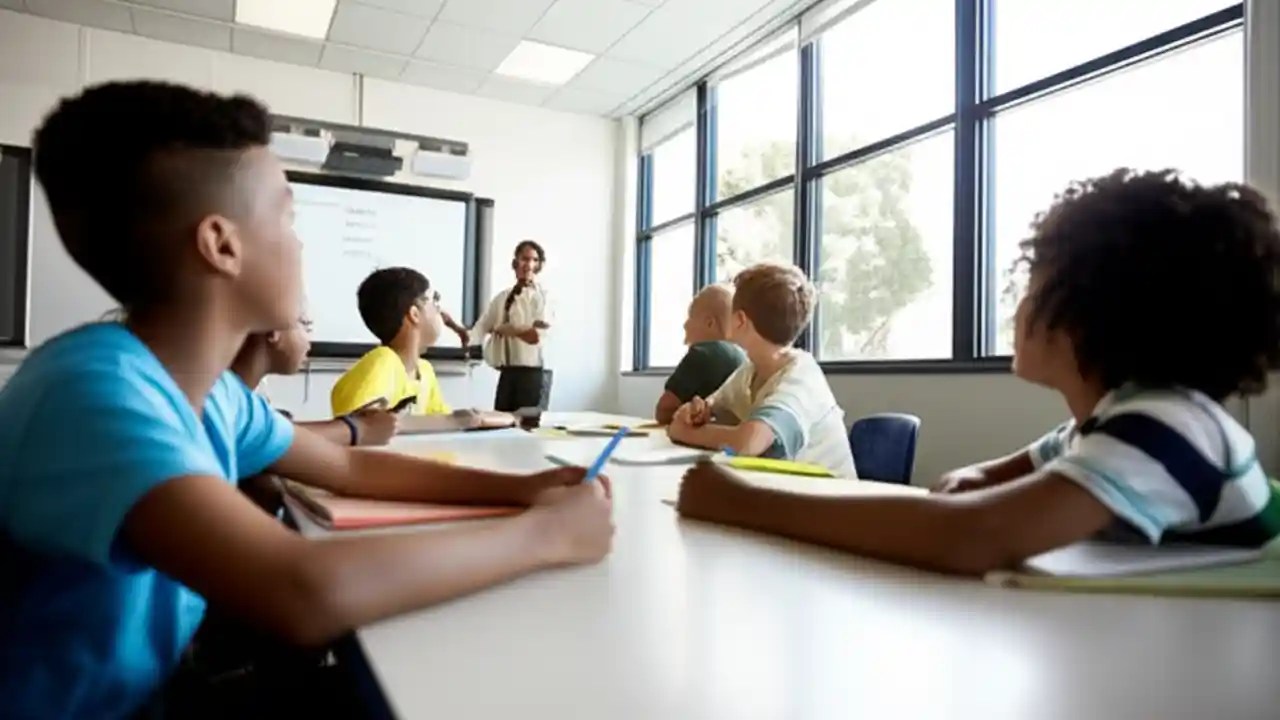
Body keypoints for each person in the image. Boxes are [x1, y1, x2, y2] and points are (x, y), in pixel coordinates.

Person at [0, 81, 613, 719]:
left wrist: (524, 492)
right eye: (287, 217)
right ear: (221, 245)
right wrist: (545, 536)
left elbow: (350, 466)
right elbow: (302, 590)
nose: (298, 244)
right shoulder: (95, 394)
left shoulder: (210, 393)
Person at [677, 169, 1280, 574]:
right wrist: (965, 487)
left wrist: (746, 503)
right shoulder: (1104, 425)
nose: (1018, 305)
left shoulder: (1164, 428)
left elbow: (970, 534)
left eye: (1036, 286)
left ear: (1092, 311)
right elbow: (976, 485)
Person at [668, 263, 857, 478]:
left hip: (832, 505)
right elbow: (711, 406)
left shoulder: (801, 377)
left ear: (740, 321)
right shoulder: (750, 370)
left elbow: (749, 443)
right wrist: (698, 412)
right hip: (786, 497)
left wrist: (685, 432)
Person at [330, 267, 508, 432]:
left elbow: (441, 423)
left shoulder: (424, 371)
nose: (441, 310)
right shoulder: (383, 361)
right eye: (434, 300)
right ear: (414, 314)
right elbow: (361, 424)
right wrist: (458, 420)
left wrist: (489, 418)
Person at [232, 313, 398, 447]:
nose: (310, 342)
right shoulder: (220, 398)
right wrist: (358, 430)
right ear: (274, 331)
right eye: (306, 325)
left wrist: (358, 427)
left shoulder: (254, 396)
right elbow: (265, 440)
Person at [468, 241, 554, 412]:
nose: (528, 265)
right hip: (507, 374)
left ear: (539, 266)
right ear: (515, 263)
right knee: (500, 424)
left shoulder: (544, 298)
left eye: (534, 260)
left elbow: (535, 336)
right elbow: (480, 328)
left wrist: (508, 330)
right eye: (524, 259)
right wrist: (460, 334)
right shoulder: (502, 298)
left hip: (532, 374)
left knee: (527, 427)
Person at [653, 284, 746, 425]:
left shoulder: (701, 354)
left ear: (710, 323)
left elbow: (663, 411)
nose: (685, 325)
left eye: (690, 317)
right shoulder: (743, 357)